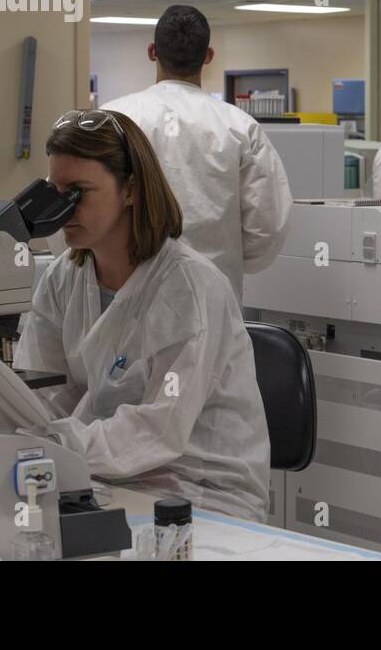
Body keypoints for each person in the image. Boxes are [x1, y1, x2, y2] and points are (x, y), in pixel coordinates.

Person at [15, 109, 271, 523]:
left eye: (78, 193)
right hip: (101, 477)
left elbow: (159, 428)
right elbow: (45, 393)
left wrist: (57, 444)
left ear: (130, 189)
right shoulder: (64, 277)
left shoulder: (190, 288)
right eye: (55, 192)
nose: (62, 210)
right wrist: (31, 439)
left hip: (199, 491)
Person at [103, 5, 292, 303]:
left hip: (123, 294)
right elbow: (267, 228)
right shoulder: (240, 127)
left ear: (152, 51)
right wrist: (228, 261)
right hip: (213, 296)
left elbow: (72, 214)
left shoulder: (112, 119)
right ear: (208, 56)